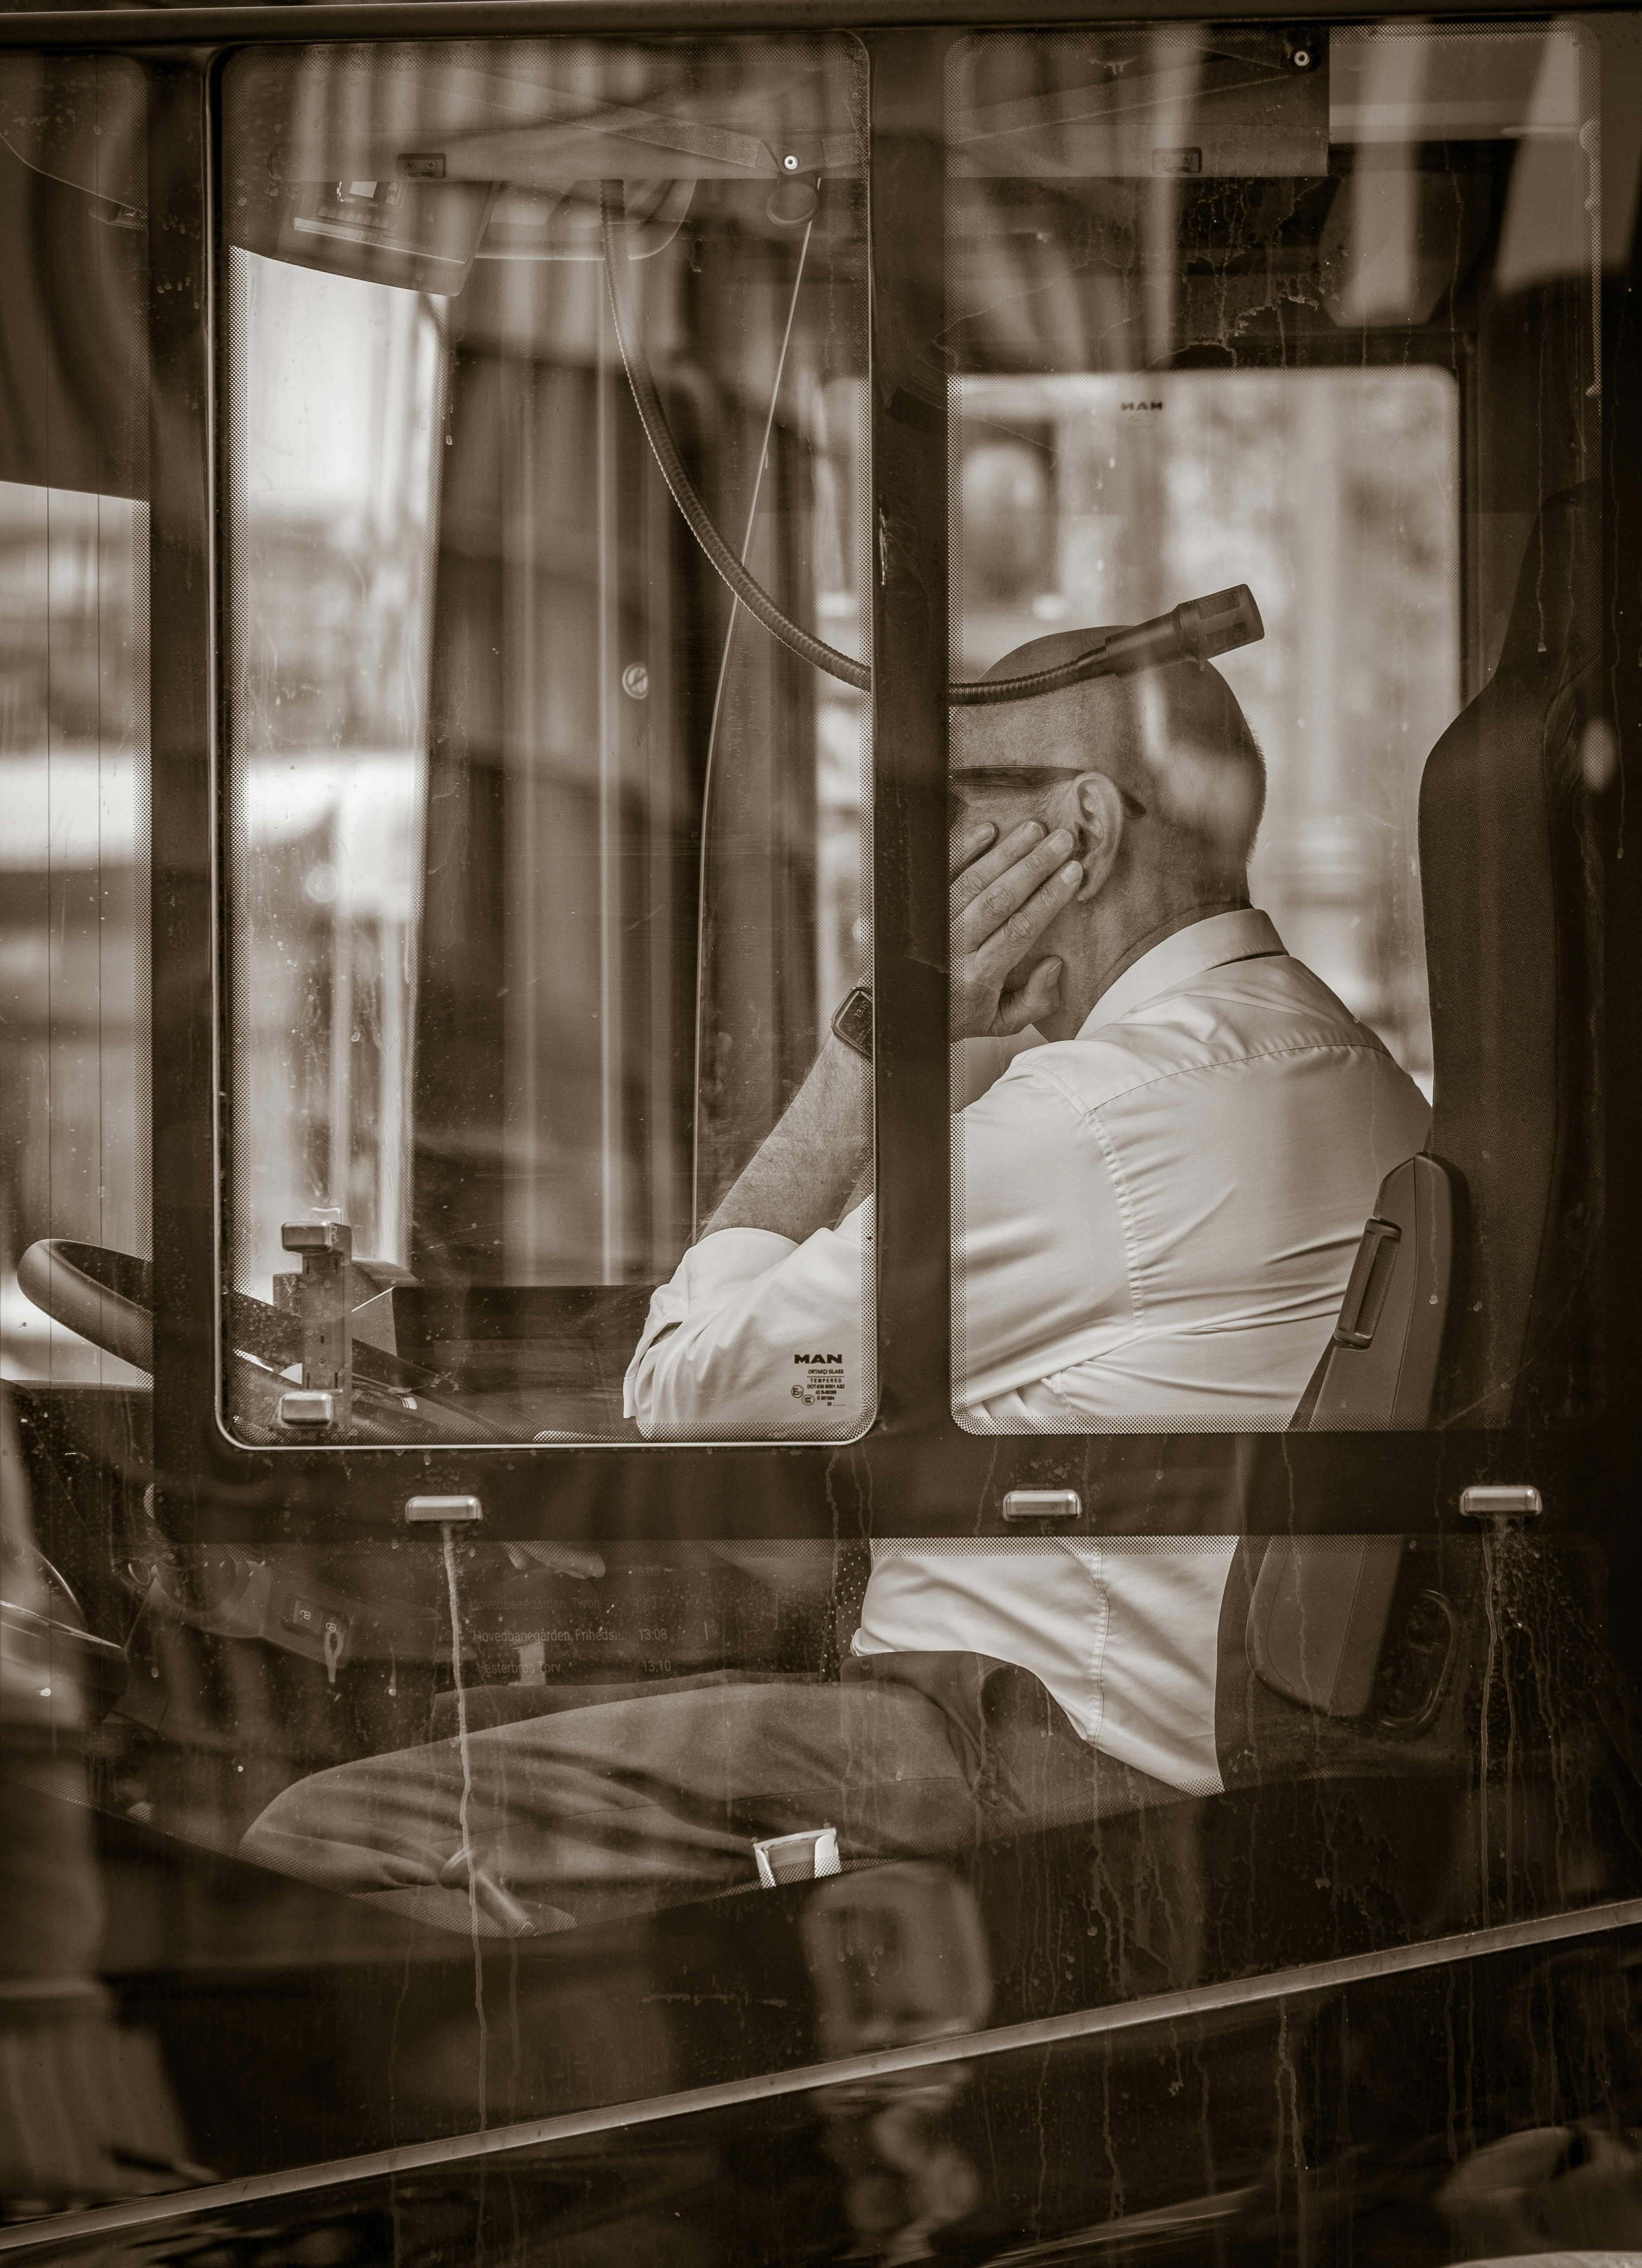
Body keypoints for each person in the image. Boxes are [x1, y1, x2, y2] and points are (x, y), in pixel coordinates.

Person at [241, 637, 1430, 1935]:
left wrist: (871, 1051)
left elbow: (691, 1393)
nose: (902, 890)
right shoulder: (1332, 1062)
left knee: (322, 1832)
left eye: (939, 825)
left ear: (1079, 829)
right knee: (503, 1730)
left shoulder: (1099, 1122)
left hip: (1024, 1779)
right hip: (1101, 1758)